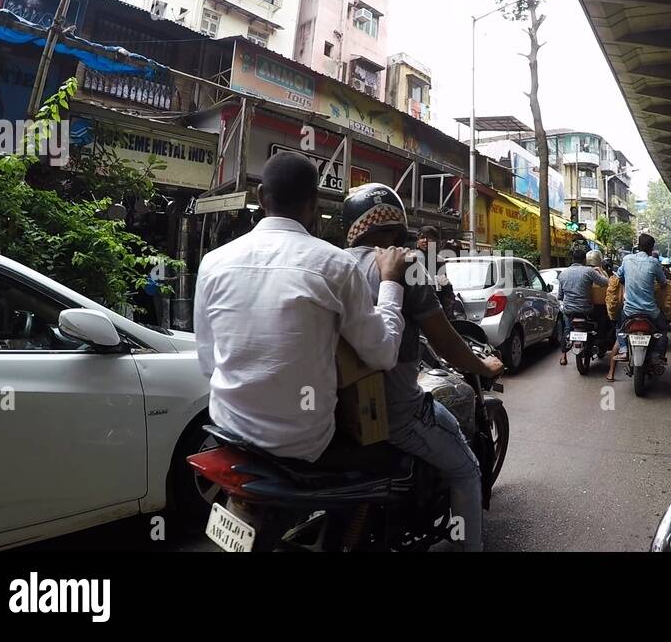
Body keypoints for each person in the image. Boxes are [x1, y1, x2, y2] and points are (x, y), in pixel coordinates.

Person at [194, 152, 409, 465]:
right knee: (386, 466)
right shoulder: (336, 265)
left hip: (228, 430)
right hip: (304, 443)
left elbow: (208, 363)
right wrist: (391, 282)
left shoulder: (212, 263)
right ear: (314, 205)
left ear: (260, 197)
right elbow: (383, 354)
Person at [345, 184, 504, 552]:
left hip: (341, 409)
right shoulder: (406, 265)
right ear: (397, 227)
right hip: (395, 413)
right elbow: (445, 340)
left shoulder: (334, 263)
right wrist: (482, 366)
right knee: (466, 471)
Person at [616, 233, 669, 367]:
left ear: (638, 246)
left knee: (619, 327)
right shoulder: (654, 262)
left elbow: (619, 277)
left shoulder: (627, 260)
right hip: (650, 311)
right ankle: (657, 355)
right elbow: (663, 283)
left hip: (629, 311)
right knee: (662, 329)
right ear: (652, 249)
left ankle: (623, 349)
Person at [558, 247, 609, 366]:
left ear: (572, 260)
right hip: (586, 309)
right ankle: (597, 341)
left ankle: (563, 356)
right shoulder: (589, 271)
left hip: (569, 310)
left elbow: (560, 296)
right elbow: (605, 282)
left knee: (567, 329)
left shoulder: (563, 274)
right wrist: (600, 271)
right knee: (598, 320)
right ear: (584, 260)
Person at [416, 225, 457, 317]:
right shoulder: (412, 259)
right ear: (417, 241)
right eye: (422, 238)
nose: (425, 241)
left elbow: (445, 289)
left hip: (437, 307)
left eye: (429, 238)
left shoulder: (439, 261)